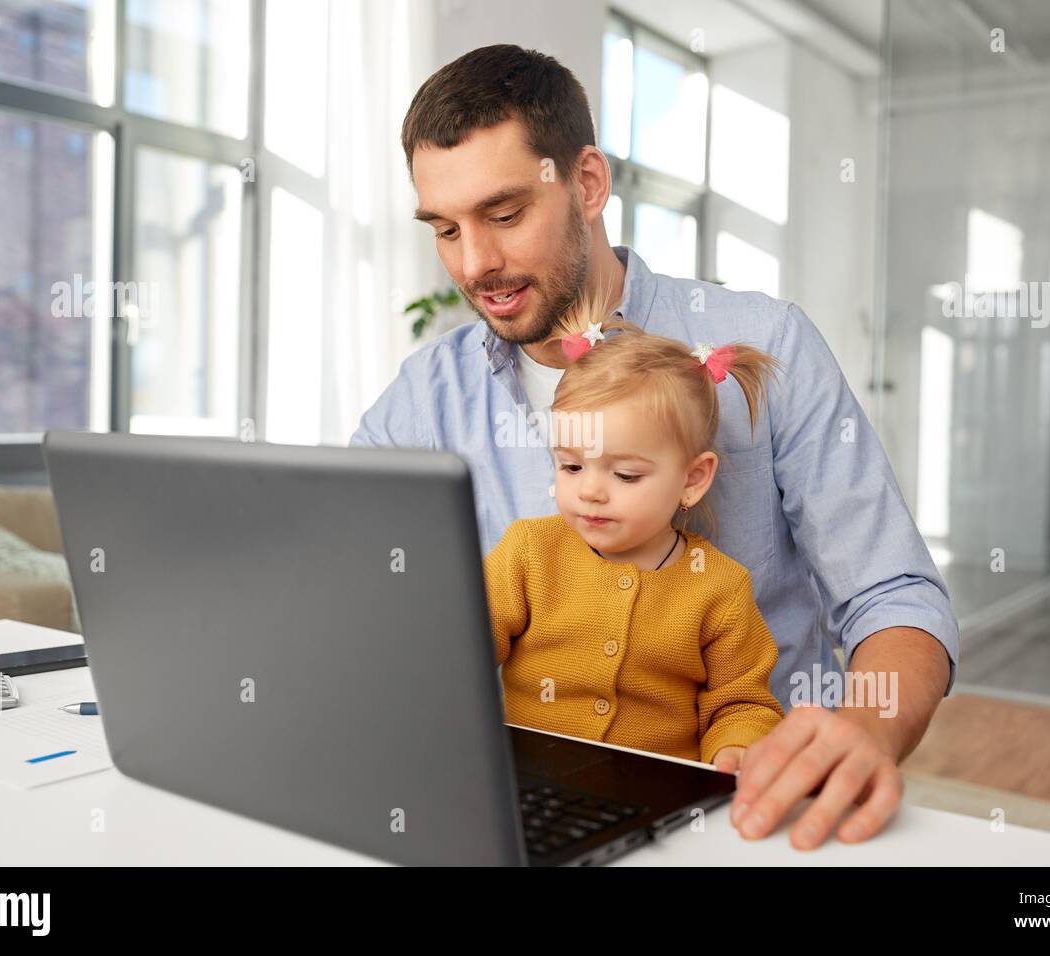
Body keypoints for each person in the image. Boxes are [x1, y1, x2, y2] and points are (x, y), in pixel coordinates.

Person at [350, 44, 959, 849]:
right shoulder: (424, 399)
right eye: (445, 230)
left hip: (746, 809)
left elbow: (895, 596)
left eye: (504, 216)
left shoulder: (763, 343)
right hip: (520, 806)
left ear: (588, 184)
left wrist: (867, 731)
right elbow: (346, 593)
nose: (475, 265)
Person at [483, 286, 785, 767]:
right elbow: (462, 643)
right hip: (533, 783)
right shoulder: (528, 553)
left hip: (661, 801)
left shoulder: (720, 587)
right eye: (571, 467)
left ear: (692, 479)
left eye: (625, 475)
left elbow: (740, 702)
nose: (591, 492)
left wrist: (736, 748)